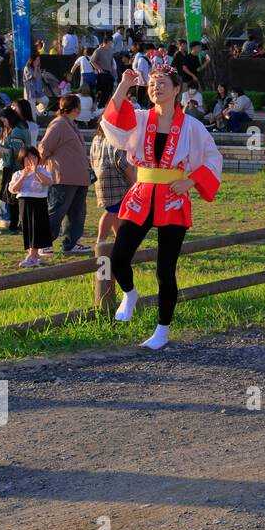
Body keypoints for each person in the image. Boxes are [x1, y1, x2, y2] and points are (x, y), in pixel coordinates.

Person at [102, 64, 224, 350]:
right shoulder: (140, 118)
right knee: (119, 257)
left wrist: (191, 181)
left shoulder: (192, 126)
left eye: (163, 83)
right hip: (143, 193)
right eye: (152, 84)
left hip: (172, 195)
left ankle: (162, 329)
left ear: (177, 88)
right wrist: (123, 86)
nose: (156, 88)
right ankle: (129, 293)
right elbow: (113, 126)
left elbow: (212, 157)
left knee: (165, 269)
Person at [38, 95, 93, 256]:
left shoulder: (70, 124)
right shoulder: (59, 124)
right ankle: (43, 243)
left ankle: (72, 243)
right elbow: (44, 147)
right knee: (57, 211)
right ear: (76, 108)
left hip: (78, 178)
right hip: (63, 178)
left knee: (77, 212)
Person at [9, 147, 53, 268]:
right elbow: (13, 189)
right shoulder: (18, 173)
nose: (31, 161)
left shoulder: (42, 171)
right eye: (28, 158)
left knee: (37, 228)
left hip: (39, 203)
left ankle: (33, 255)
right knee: (27, 228)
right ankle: (33, 255)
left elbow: (49, 182)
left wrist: (36, 172)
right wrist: (23, 176)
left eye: (34, 158)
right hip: (24, 202)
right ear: (22, 160)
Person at [91, 123, 134, 245]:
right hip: (116, 180)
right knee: (112, 210)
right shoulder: (117, 140)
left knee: (116, 210)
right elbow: (124, 164)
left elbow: (92, 158)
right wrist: (133, 182)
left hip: (101, 177)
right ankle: (101, 240)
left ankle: (119, 239)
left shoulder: (97, 138)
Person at [0, 107, 30, 232]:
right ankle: (20, 223)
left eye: (4, 121)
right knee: (18, 198)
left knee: (12, 198)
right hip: (20, 167)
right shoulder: (23, 128)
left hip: (14, 168)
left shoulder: (16, 131)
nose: (4, 124)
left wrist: (1, 149)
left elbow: (15, 152)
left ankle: (14, 225)